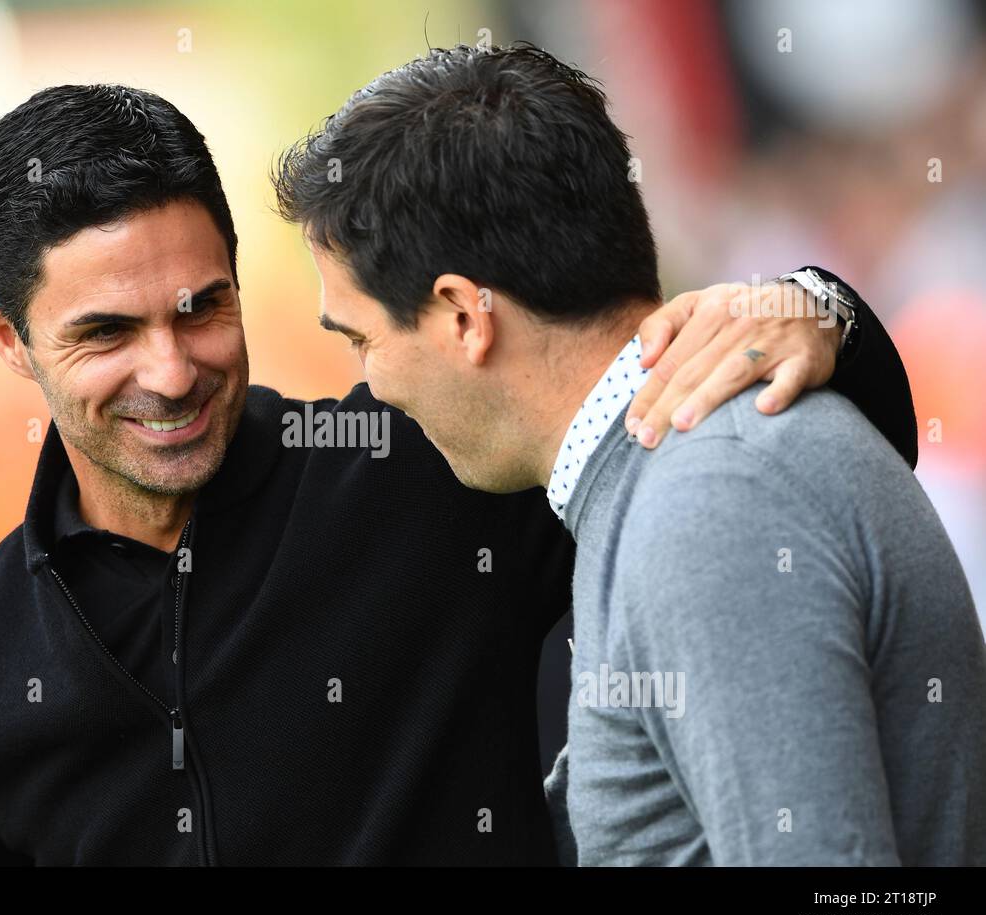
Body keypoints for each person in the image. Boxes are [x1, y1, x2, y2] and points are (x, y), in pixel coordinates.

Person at [0, 80, 914, 865]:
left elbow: (729, 445)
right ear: (7, 336)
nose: (171, 368)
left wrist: (813, 307)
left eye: (201, 306)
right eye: (106, 331)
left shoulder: (430, 460)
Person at [272, 42, 986, 864]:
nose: (371, 389)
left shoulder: (709, 500)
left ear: (465, 316)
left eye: (362, 339)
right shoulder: (674, 472)